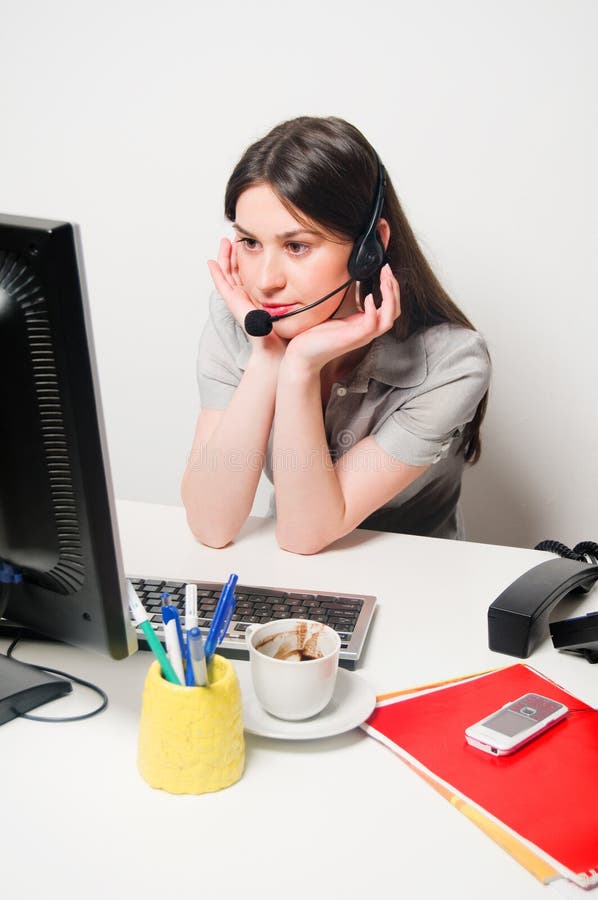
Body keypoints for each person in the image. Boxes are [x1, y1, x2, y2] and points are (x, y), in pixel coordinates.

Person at [181, 116, 490, 553]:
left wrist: (302, 367)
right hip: (290, 579)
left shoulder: (452, 362)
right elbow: (211, 524)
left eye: (297, 246)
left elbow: (305, 534)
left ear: (370, 248)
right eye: (250, 243)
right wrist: (269, 357)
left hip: (418, 577)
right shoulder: (242, 323)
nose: (265, 281)